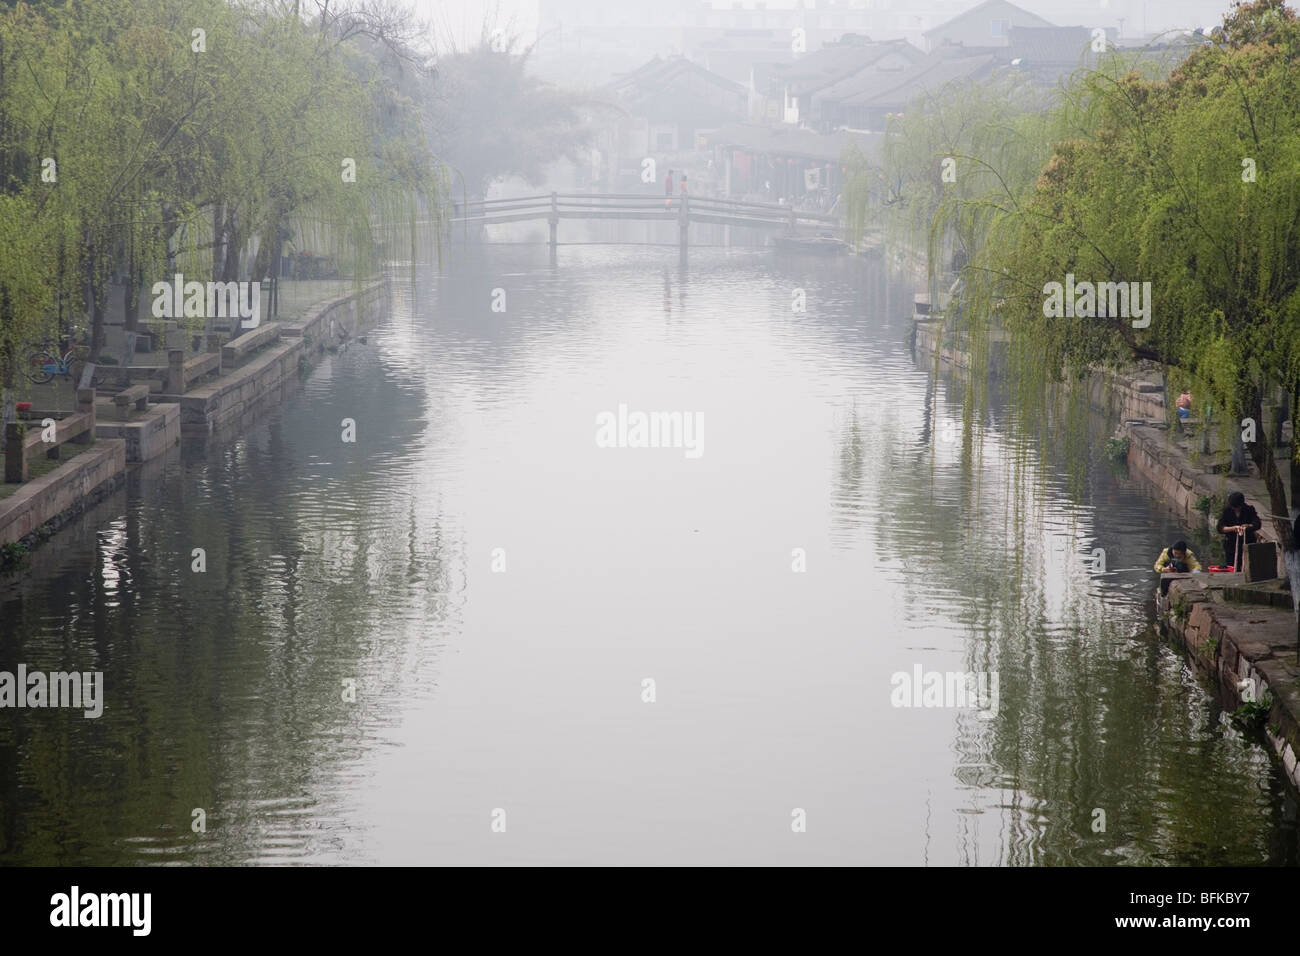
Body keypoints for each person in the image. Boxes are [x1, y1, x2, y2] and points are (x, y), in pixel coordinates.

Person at [1216, 491, 1262, 568]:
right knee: (1232, 565)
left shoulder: (1249, 510)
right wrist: (1233, 528)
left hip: (1247, 542)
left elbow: (1257, 524)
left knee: (1248, 566)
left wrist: (1248, 526)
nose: (1235, 509)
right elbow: (1220, 528)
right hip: (1231, 545)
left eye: (1236, 507)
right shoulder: (1227, 511)